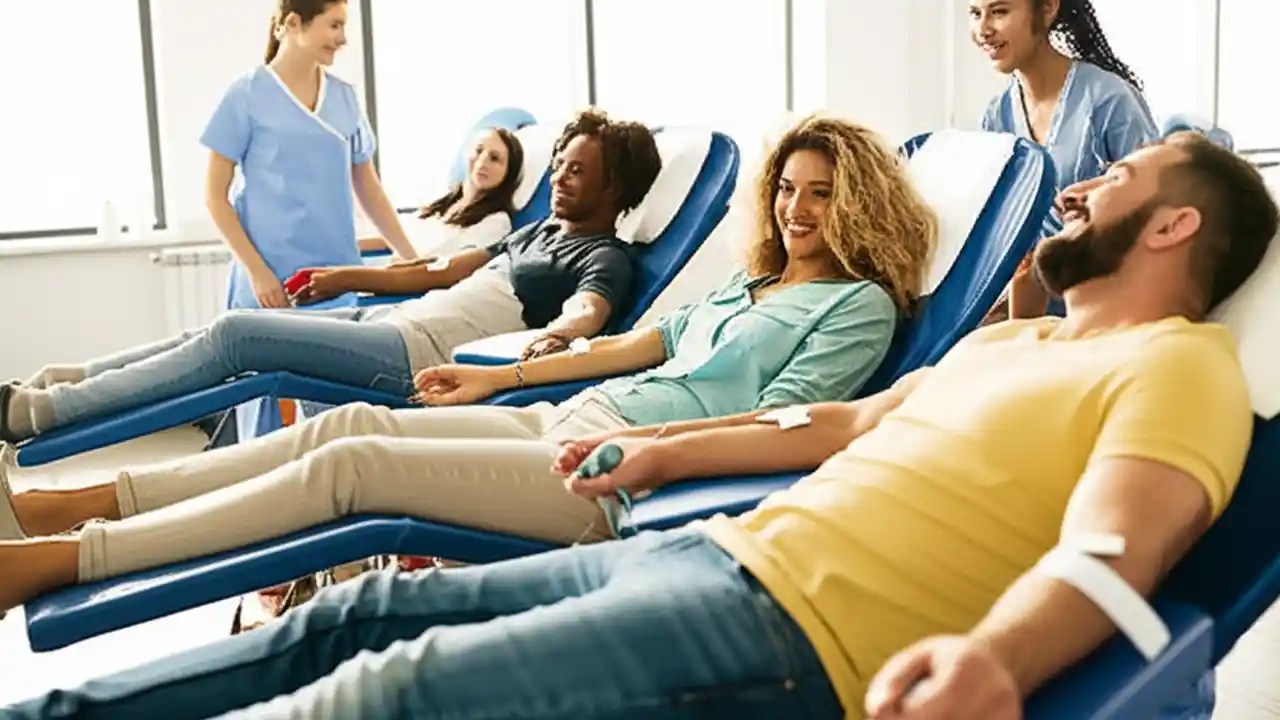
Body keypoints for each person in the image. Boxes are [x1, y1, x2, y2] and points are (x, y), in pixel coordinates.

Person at [1, 132, 1272, 720]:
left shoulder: (1186, 370)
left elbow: (1115, 549)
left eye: (1123, 180)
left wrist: (994, 662)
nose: (1087, 182)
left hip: (794, 623)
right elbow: (834, 422)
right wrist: (667, 453)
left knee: (398, 689)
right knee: (359, 615)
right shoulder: (1018, 342)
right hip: (718, 543)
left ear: (1171, 230)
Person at [0, 115, 937, 608]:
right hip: (582, 414)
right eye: (787, 188)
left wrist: (651, 451)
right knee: (350, 424)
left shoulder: (854, 306)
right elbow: (639, 345)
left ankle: (62, 562)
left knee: (351, 469)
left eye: (820, 195)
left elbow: (782, 428)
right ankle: (70, 504)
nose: (794, 209)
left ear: (860, 207)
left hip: (626, 472)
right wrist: (500, 377)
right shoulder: (755, 279)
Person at [0, 110, 659, 443]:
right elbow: (441, 270)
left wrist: (563, 336)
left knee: (236, 337)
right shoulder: (542, 230)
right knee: (226, 332)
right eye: (559, 164)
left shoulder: (603, 254)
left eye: (574, 169)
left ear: (616, 185)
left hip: (418, 356)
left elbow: (589, 314)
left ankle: (43, 413)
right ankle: (69, 381)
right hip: (392, 324)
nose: (558, 177)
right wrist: (346, 275)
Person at [207, 0, 418, 313]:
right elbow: (215, 197)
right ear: (293, 23)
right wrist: (257, 272)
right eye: (334, 25)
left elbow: (368, 187)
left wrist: (413, 261)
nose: (343, 38)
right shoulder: (246, 95)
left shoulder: (345, 98)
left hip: (336, 279)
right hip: (271, 285)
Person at [971, 0, 1159, 318]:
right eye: (976, 14)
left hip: (1102, 306)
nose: (983, 30)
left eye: (999, 11)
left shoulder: (1108, 100)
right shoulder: (996, 116)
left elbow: (1152, 205)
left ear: (1047, 9)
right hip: (1028, 308)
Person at [357, 128, 524, 260]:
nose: (482, 162)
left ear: (509, 172)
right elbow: (394, 238)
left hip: (415, 288)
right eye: (478, 151)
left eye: (494, 158)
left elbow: (441, 267)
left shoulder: (496, 222)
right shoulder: (441, 206)